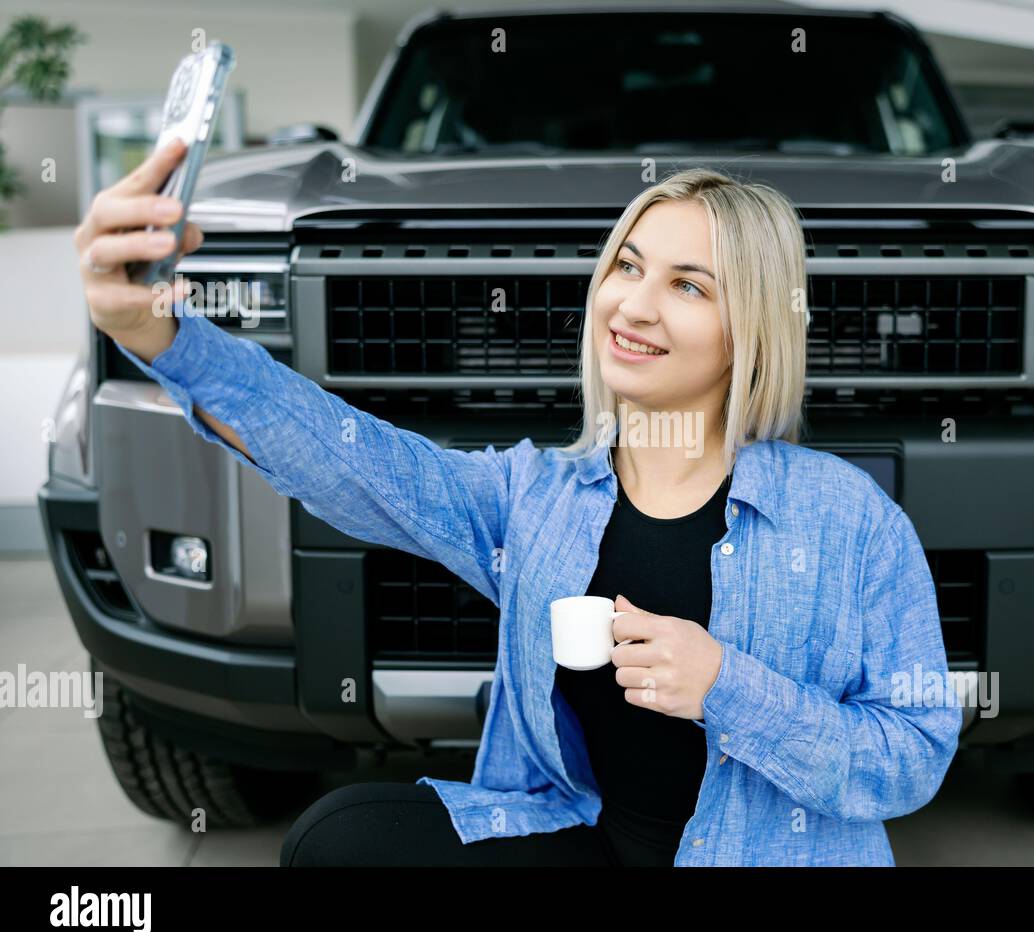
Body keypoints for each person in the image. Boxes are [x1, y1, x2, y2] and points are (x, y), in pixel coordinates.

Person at [75, 136, 964, 867]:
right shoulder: (535, 496)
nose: (635, 305)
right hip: (586, 840)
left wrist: (727, 687)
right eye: (627, 265)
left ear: (752, 330)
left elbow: (913, 758)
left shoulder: (849, 520)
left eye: (688, 285)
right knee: (337, 843)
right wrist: (156, 332)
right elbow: (351, 461)